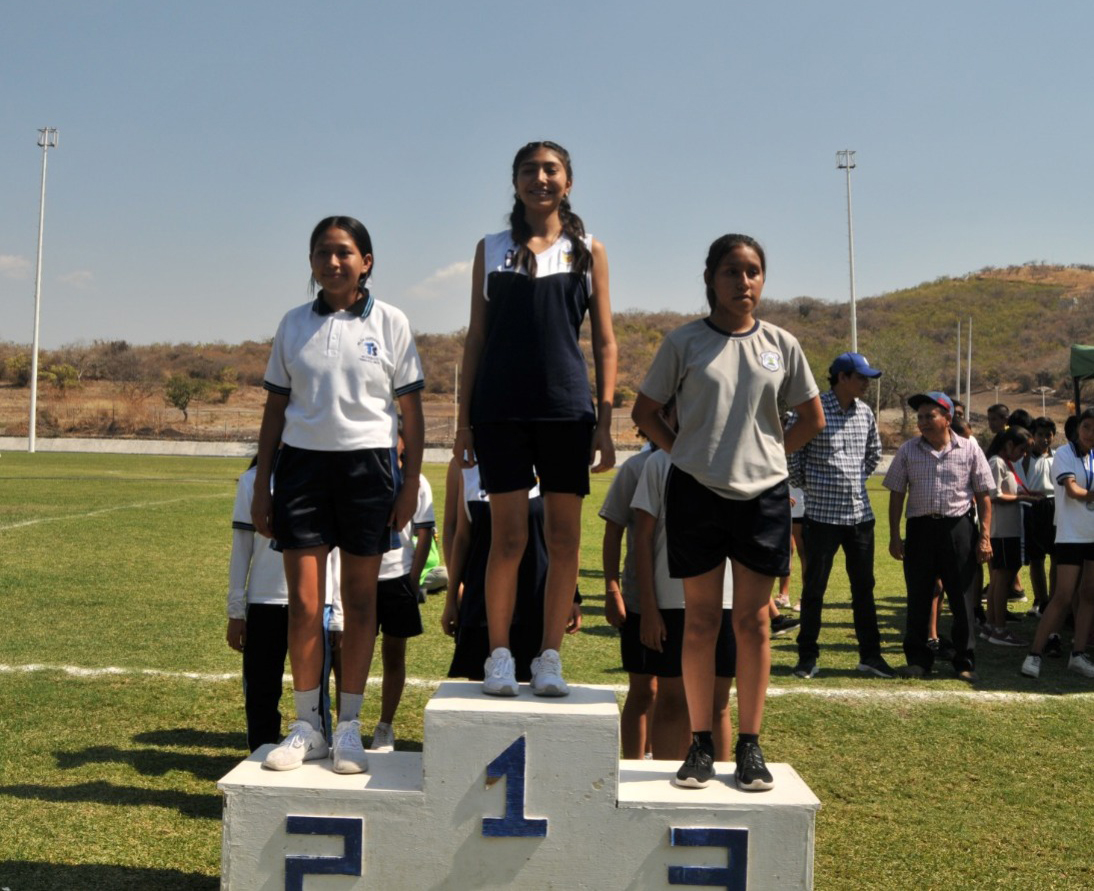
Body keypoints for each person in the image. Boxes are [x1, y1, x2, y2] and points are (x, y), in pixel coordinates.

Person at [632, 233, 823, 791]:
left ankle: (750, 745)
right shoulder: (684, 342)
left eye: (753, 271)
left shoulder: (782, 343)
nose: (744, 282)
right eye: (732, 272)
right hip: (696, 492)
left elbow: (811, 417)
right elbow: (646, 412)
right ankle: (699, 745)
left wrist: (771, 457)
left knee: (754, 621)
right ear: (710, 279)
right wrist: (685, 453)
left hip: (763, 497)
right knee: (700, 620)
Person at [253, 216, 425, 774]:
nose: (332, 262)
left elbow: (412, 413)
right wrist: (263, 486)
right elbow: (275, 410)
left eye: (344, 252)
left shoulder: (391, 321)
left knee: (360, 603)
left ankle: (349, 725)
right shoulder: (293, 323)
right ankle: (309, 725)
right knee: (304, 604)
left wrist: (408, 486)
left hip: (368, 469)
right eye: (322, 252)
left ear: (366, 262)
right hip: (301, 470)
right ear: (311, 262)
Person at [453, 140, 616, 697]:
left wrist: (605, 421)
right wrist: (463, 423)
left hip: (566, 412)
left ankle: (549, 658)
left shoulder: (588, 250)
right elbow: (476, 338)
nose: (539, 178)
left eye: (551, 170)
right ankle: (499, 655)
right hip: (499, 412)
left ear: (568, 182)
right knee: (507, 538)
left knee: (564, 539)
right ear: (515, 181)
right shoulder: (490, 248)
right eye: (529, 170)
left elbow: (606, 342)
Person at [787, 352, 894, 679]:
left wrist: (851, 482)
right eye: (861, 377)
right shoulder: (811, 410)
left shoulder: (865, 413)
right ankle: (807, 657)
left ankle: (870, 656)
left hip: (860, 516)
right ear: (843, 377)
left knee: (864, 588)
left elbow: (873, 454)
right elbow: (791, 457)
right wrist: (816, 487)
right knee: (814, 589)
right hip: (821, 517)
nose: (866, 384)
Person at [632, 445, 736, 764]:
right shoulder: (659, 462)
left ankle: (718, 784)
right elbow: (642, 538)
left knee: (718, 704)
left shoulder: (735, 457)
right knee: (672, 702)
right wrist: (649, 608)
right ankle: (661, 784)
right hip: (672, 603)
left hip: (726, 600)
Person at [226, 457, 338, 752]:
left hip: (318, 604)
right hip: (264, 601)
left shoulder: (327, 473)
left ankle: (318, 750)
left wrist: (337, 611)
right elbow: (241, 549)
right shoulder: (252, 481)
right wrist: (236, 611)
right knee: (261, 691)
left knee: (318, 692)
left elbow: (337, 551)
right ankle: (259, 753)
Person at [884, 391, 993, 683]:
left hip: (958, 530)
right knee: (919, 596)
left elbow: (983, 496)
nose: (922, 421)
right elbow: (896, 494)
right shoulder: (908, 450)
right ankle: (918, 660)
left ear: (947, 418)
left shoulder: (970, 449)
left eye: (929, 416)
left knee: (962, 598)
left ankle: (964, 661)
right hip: (920, 530)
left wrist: (985, 537)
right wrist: (894, 535)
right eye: (920, 417)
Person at [441, 459, 581, 681]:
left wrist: (573, 596)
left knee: (534, 689)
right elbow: (461, 535)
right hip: (481, 604)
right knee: (484, 688)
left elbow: (566, 541)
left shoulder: (550, 460)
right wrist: (452, 596)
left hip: (536, 602)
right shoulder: (466, 466)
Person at [367, 435, 434, 753]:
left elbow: (424, 532)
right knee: (351, 653)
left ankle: (385, 727)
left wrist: (412, 578)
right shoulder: (361, 475)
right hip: (362, 579)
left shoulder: (416, 483)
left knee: (394, 654)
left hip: (398, 579)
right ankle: (347, 723)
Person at [599, 428, 662, 759]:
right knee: (643, 689)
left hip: (686, 599)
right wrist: (612, 588)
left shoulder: (697, 462)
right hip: (639, 598)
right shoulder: (636, 468)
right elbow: (613, 530)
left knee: (674, 691)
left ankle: (659, 758)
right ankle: (634, 764)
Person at [1021, 408, 1094, 680]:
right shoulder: (1064, 454)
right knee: (1063, 596)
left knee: (1089, 595)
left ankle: (1078, 654)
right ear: (1078, 429)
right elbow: (1073, 491)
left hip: (1093, 534)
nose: (1090, 434)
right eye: (1087, 427)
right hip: (1071, 535)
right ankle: (1034, 654)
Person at [983, 426, 1041, 647]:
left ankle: (991, 625)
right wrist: (1022, 499)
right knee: (1002, 579)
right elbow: (994, 495)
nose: (1024, 455)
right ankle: (999, 628)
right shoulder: (996, 462)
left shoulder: (1006, 463)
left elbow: (1008, 491)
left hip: (1008, 530)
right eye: (1022, 450)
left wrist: (1027, 494)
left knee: (1000, 578)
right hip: (1002, 531)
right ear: (1009, 445)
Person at [1019, 417, 1058, 618]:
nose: (1044, 439)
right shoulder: (1024, 458)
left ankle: (1054, 600)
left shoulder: (1058, 457)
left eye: (1048, 435)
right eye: (1040, 435)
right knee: (1036, 558)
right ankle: (1041, 600)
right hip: (1032, 507)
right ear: (1032, 436)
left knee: (1057, 556)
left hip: (1054, 506)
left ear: (1053, 436)